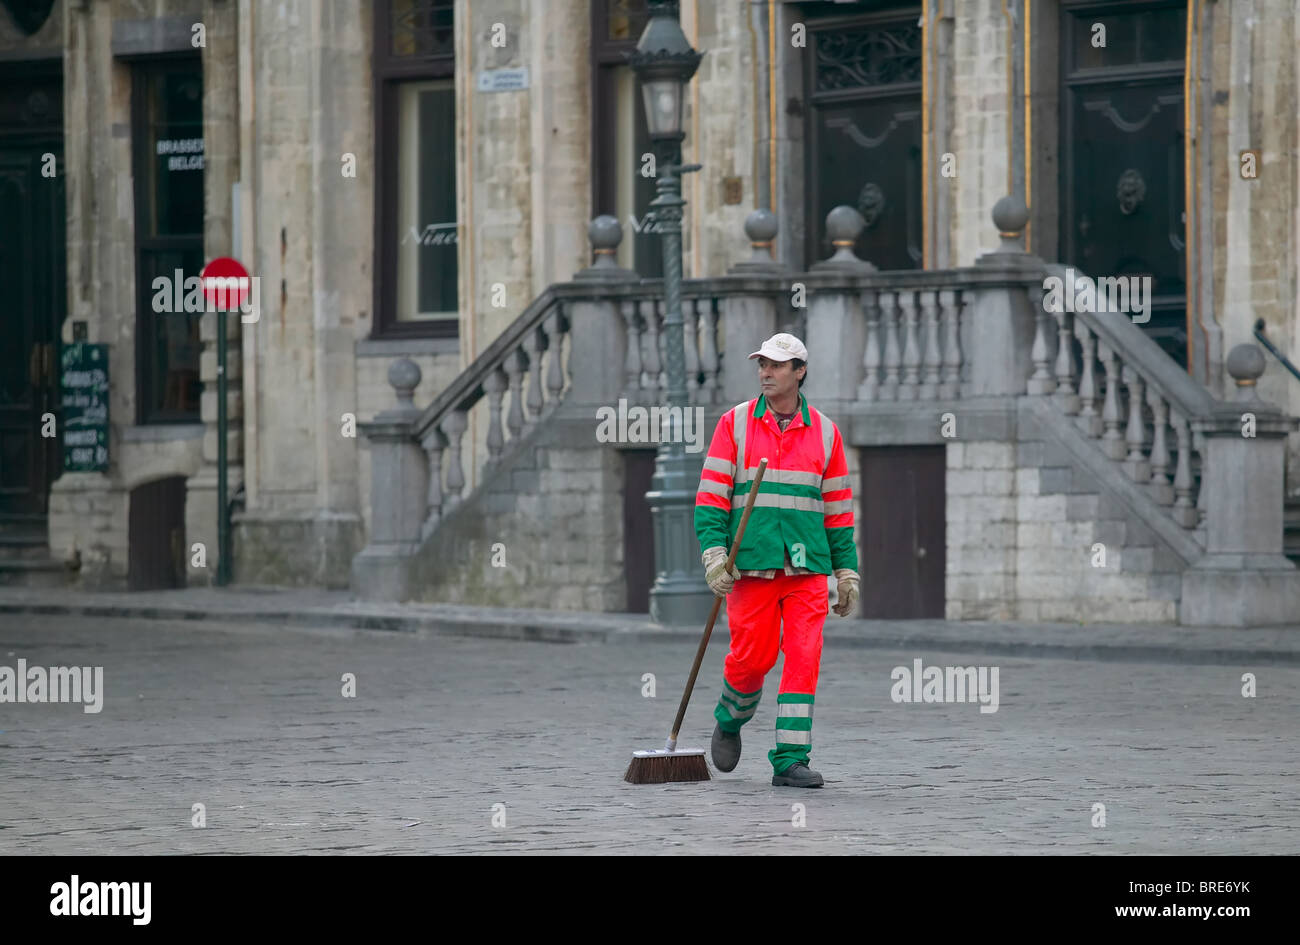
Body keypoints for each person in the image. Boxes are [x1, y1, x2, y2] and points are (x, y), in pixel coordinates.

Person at [693, 332, 859, 788]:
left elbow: (839, 511)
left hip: (807, 571)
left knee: (804, 657)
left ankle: (790, 759)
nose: (765, 372)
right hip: (751, 567)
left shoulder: (826, 433)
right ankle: (730, 717)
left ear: (799, 372)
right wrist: (714, 556)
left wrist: (846, 572)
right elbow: (711, 499)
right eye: (761, 364)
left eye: (776, 365)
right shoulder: (735, 424)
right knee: (752, 659)